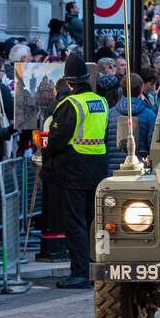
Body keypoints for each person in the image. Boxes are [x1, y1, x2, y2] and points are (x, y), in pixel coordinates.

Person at [42, 53, 107, 289]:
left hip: (74, 168)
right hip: (98, 166)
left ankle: (80, 271)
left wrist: (46, 156)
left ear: (69, 81)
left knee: (75, 222)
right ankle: (94, 264)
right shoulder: (100, 101)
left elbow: (58, 138)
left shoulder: (70, 104)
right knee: (92, 220)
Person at [105, 74, 155, 170]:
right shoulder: (150, 115)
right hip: (137, 171)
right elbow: (151, 146)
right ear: (140, 90)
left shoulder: (110, 113)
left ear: (122, 90)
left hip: (112, 171)